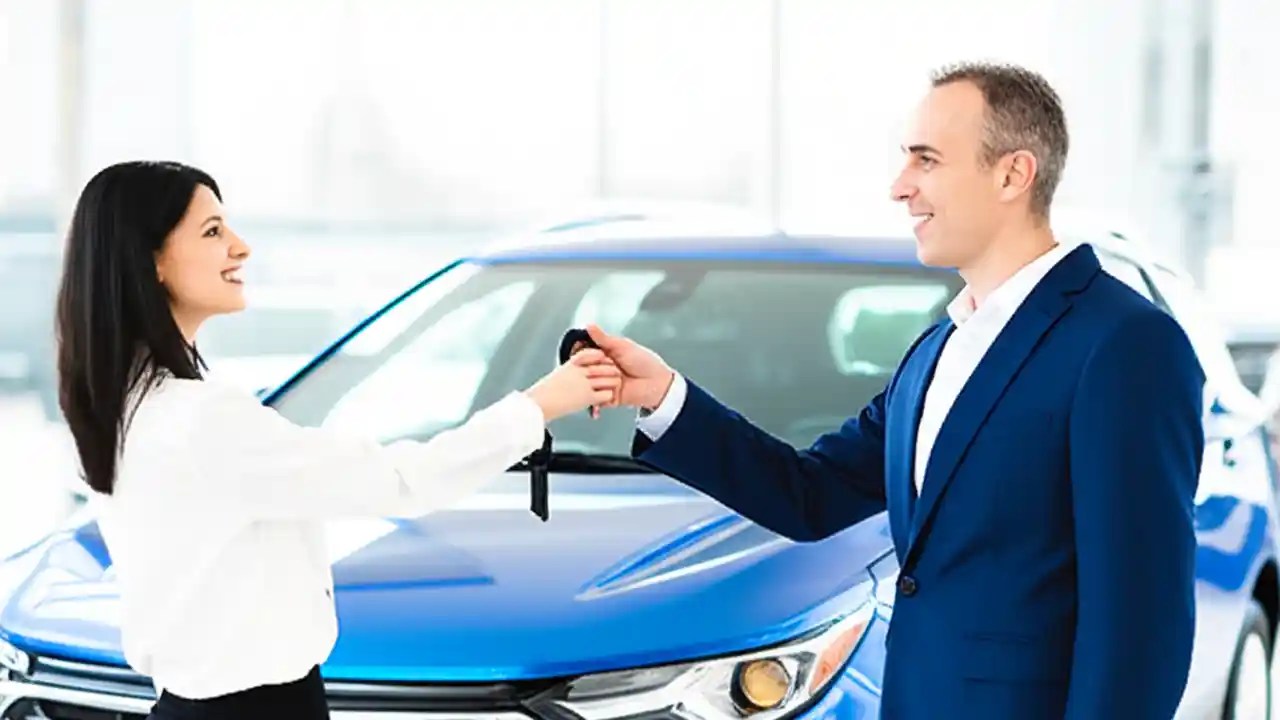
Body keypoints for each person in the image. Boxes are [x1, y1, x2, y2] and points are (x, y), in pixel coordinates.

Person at [586, 62, 1205, 719]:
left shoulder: (1124, 345)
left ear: (1012, 174)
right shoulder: (939, 347)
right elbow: (810, 494)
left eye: (927, 160)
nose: (899, 187)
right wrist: (662, 397)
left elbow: (1141, 621)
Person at [53, 160, 620, 720]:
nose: (241, 246)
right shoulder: (200, 419)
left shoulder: (122, 406)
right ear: (149, 261)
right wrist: (543, 403)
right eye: (213, 231)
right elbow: (402, 481)